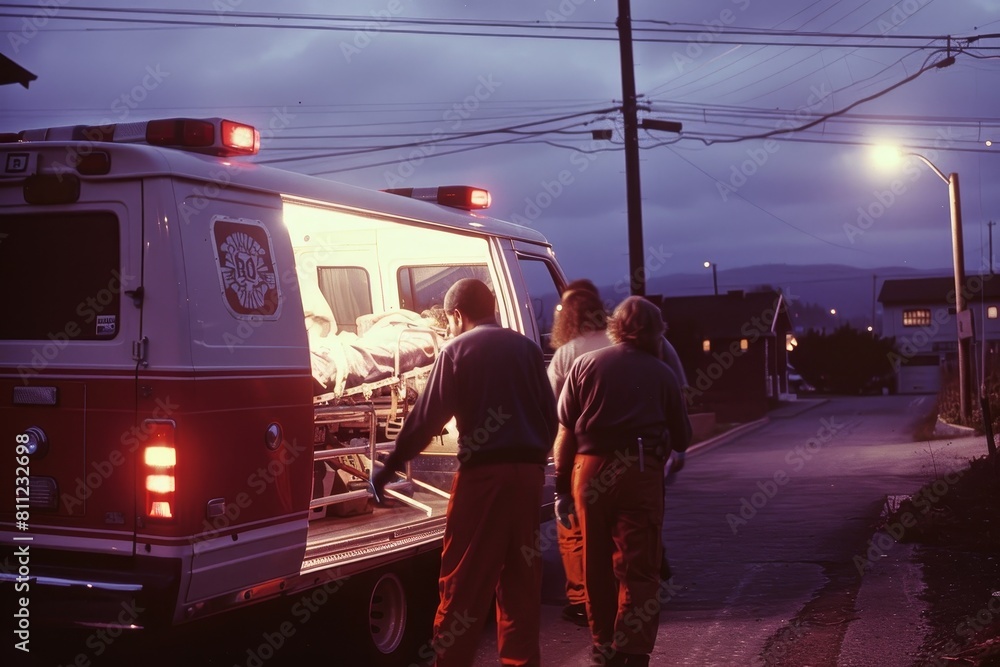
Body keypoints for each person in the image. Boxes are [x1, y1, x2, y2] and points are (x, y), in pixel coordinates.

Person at [372, 278, 558, 667]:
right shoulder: (525, 348)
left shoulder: (457, 350)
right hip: (528, 478)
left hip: (484, 480)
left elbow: (425, 420)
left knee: (463, 582)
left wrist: (387, 469)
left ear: (456, 314)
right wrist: (534, 458)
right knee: (520, 583)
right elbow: (550, 415)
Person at [554, 296, 692, 667]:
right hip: (638, 469)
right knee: (638, 565)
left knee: (594, 562)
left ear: (616, 327)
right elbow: (682, 438)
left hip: (590, 470)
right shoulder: (662, 373)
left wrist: (560, 487)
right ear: (656, 332)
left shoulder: (584, 364)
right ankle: (632, 650)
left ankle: (602, 644)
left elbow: (565, 431)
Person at [547, 286, 612, 628]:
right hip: (628, 453)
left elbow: (555, 414)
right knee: (615, 528)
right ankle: (619, 593)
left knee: (572, 528)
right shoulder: (621, 347)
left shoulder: (567, 355)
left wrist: (557, 476)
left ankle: (579, 598)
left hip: (581, 453)